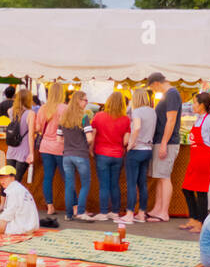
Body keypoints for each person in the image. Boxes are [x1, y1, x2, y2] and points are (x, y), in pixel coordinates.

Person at [180, 91, 210, 232]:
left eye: (194, 102)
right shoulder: (199, 119)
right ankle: (193, 219)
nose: (193, 105)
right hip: (196, 157)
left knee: (201, 191)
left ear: (202, 105)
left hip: (206, 157)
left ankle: (201, 223)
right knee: (186, 188)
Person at [146, 73, 183, 222]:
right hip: (162, 140)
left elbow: (171, 120)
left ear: (156, 83)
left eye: (152, 87)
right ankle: (157, 208)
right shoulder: (168, 94)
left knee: (164, 176)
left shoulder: (172, 94)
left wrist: (163, 143)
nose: (154, 91)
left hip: (167, 141)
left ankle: (163, 212)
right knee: (160, 176)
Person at [91, 90, 130, 222]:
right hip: (118, 154)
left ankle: (103, 212)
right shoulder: (126, 119)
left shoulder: (98, 116)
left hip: (102, 153)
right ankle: (115, 212)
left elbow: (93, 135)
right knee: (115, 184)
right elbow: (126, 141)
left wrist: (91, 150)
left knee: (104, 184)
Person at [58, 90, 95, 220]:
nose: (86, 102)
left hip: (67, 155)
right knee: (85, 184)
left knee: (69, 185)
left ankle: (68, 215)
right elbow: (89, 138)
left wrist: (70, 143)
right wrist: (85, 144)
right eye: (85, 100)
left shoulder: (63, 117)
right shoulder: (84, 117)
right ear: (78, 100)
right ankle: (80, 212)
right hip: (80, 154)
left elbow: (59, 139)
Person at [123, 87, 156, 224]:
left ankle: (129, 213)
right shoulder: (152, 112)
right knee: (142, 183)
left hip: (137, 149)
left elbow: (136, 128)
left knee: (131, 183)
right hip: (148, 149)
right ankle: (141, 213)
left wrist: (131, 143)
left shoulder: (137, 111)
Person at [34, 83, 67, 218]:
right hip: (60, 146)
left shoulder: (43, 108)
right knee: (67, 178)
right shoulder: (65, 108)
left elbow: (37, 128)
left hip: (46, 146)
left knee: (48, 177)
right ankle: (73, 206)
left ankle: (49, 206)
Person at [0, 164, 39, 235]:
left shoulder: (14, 191)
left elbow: (9, 214)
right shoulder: (19, 188)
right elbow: (15, 210)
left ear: (12, 177)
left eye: (5, 177)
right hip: (29, 225)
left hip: (21, 227)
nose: (2, 181)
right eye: (0, 178)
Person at [5, 87, 35, 183]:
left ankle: (6, 198)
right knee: (16, 181)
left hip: (11, 149)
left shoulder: (10, 111)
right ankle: (13, 198)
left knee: (8, 180)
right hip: (24, 151)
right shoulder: (30, 113)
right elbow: (31, 135)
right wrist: (31, 153)